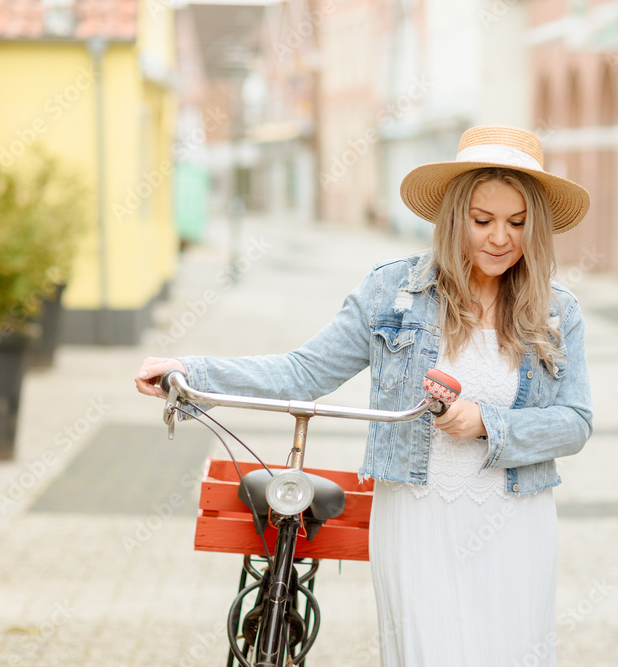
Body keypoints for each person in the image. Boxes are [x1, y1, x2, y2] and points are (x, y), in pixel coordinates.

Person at [135, 125, 593, 666]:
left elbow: (575, 421)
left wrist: (490, 423)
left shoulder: (556, 310)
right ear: (452, 220)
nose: (500, 238)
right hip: (418, 518)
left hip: (517, 520)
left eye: (517, 223)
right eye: (482, 220)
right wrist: (192, 372)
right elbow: (302, 373)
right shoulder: (391, 295)